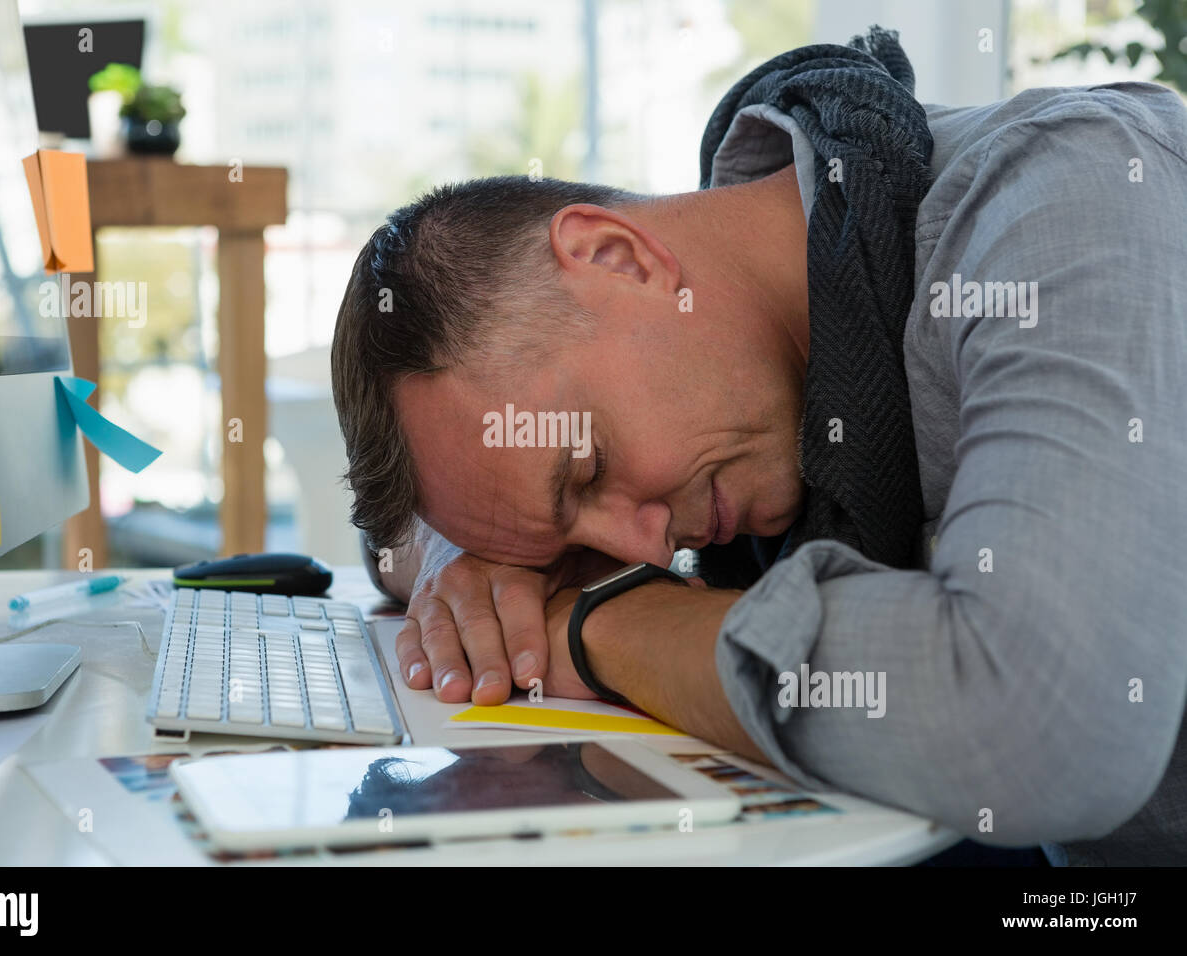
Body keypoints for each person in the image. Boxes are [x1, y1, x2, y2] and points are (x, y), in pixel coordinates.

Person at [331, 28, 1187, 865]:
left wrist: (606, 616)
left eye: (586, 470)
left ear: (618, 258)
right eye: (578, 547)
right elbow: (390, 542)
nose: (646, 547)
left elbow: (1050, 723)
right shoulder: (745, 317)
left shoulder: (1065, 198)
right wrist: (474, 565)